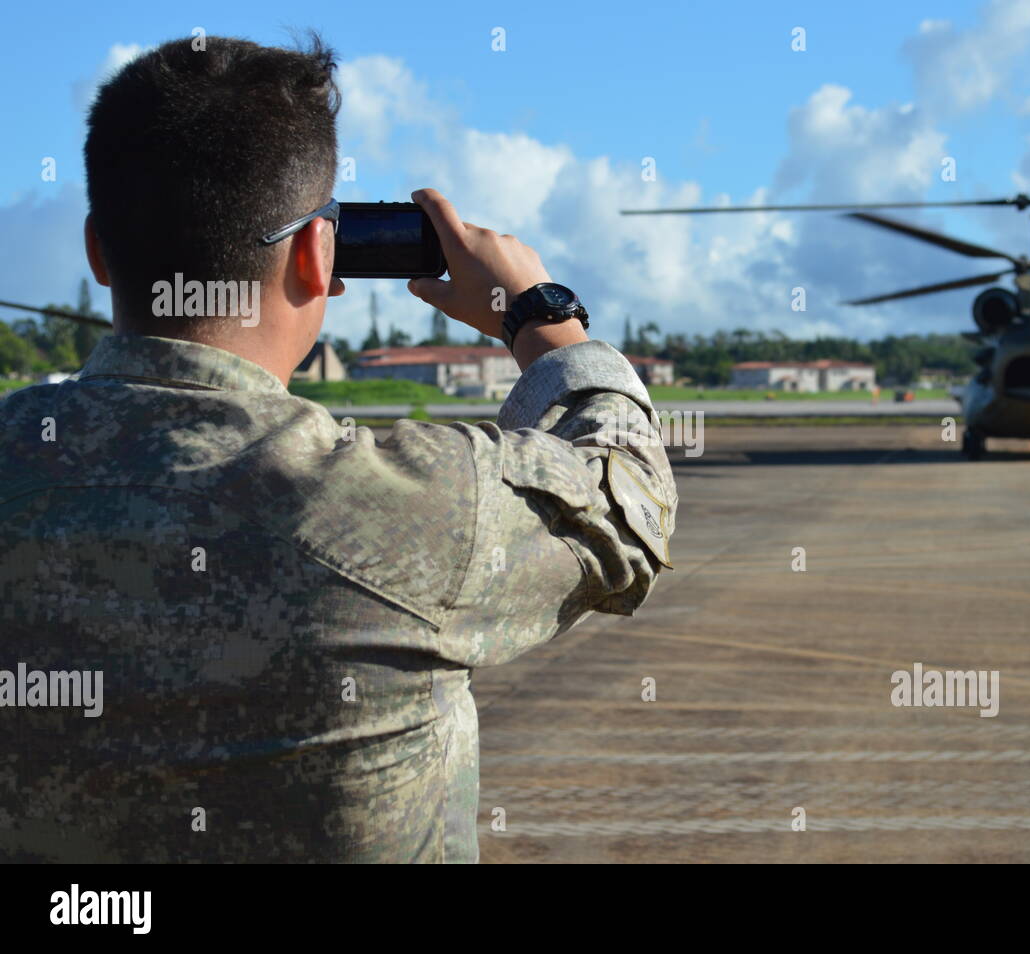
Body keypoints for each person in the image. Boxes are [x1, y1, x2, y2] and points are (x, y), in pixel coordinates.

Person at [0, 34, 676, 863]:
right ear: (321, 255)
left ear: (98, 251)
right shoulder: (417, 502)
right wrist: (537, 310)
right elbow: (624, 505)